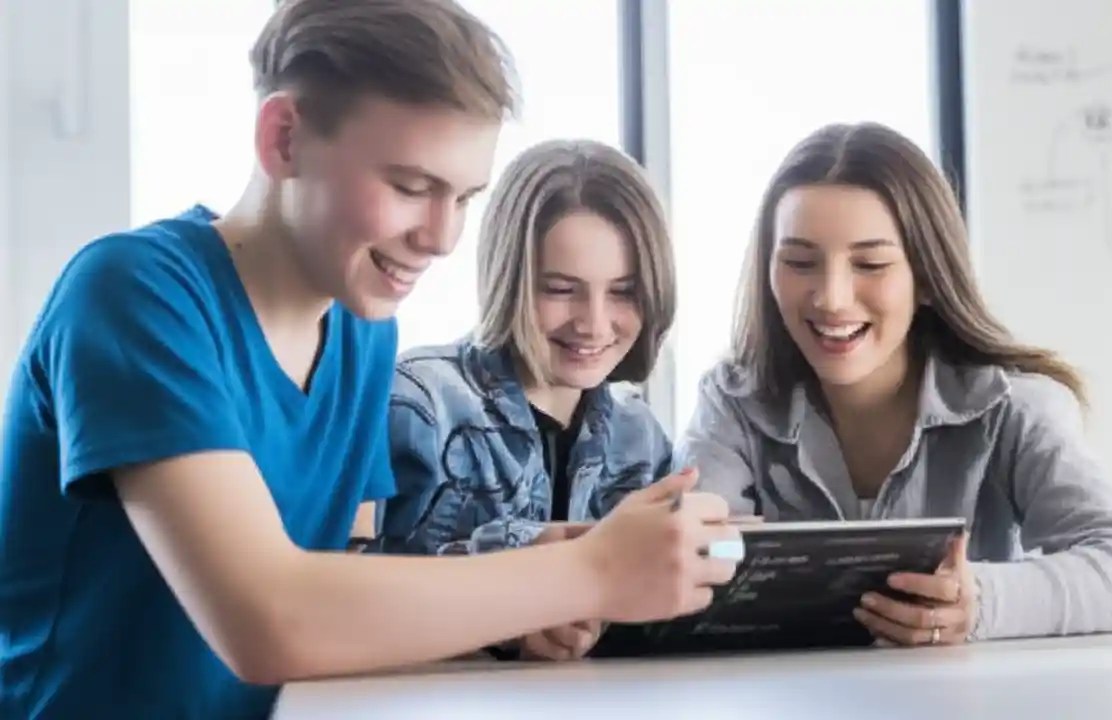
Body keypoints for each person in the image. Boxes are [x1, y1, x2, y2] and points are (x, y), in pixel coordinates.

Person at [0, 2, 739, 717]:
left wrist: (515, 606)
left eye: (465, 198)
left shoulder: (361, 331)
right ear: (284, 137)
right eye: (412, 188)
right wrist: (588, 572)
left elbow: (343, 595)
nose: (444, 238)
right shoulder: (136, 294)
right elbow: (272, 618)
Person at [677, 122, 1112, 647]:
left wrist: (979, 600)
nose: (830, 297)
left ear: (927, 278)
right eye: (800, 263)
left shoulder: (1013, 407)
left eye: (870, 264)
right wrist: (713, 553)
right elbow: (688, 560)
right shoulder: (733, 402)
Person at [374, 139, 681, 661]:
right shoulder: (419, 403)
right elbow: (356, 591)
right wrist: (512, 603)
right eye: (561, 289)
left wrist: (722, 550)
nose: (594, 323)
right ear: (509, 281)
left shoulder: (638, 434)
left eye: (624, 292)